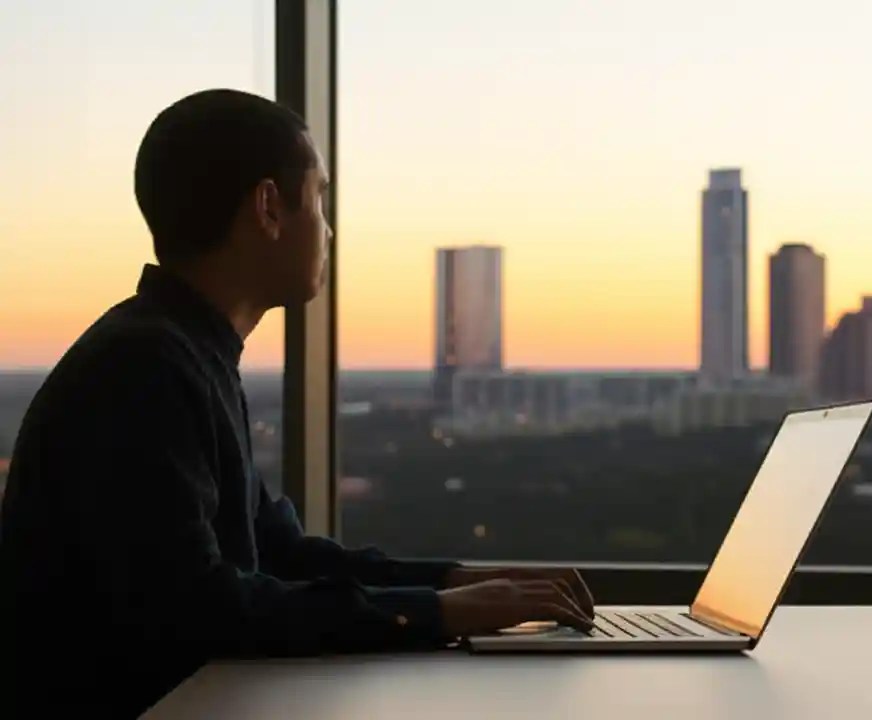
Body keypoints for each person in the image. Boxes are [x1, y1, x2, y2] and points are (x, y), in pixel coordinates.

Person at [0, 88, 595, 718]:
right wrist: (437, 612)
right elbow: (196, 610)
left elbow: (281, 555)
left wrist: (455, 583)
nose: (329, 230)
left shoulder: (178, 354)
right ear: (268, 208)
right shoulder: (145, 369)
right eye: (319, 199)